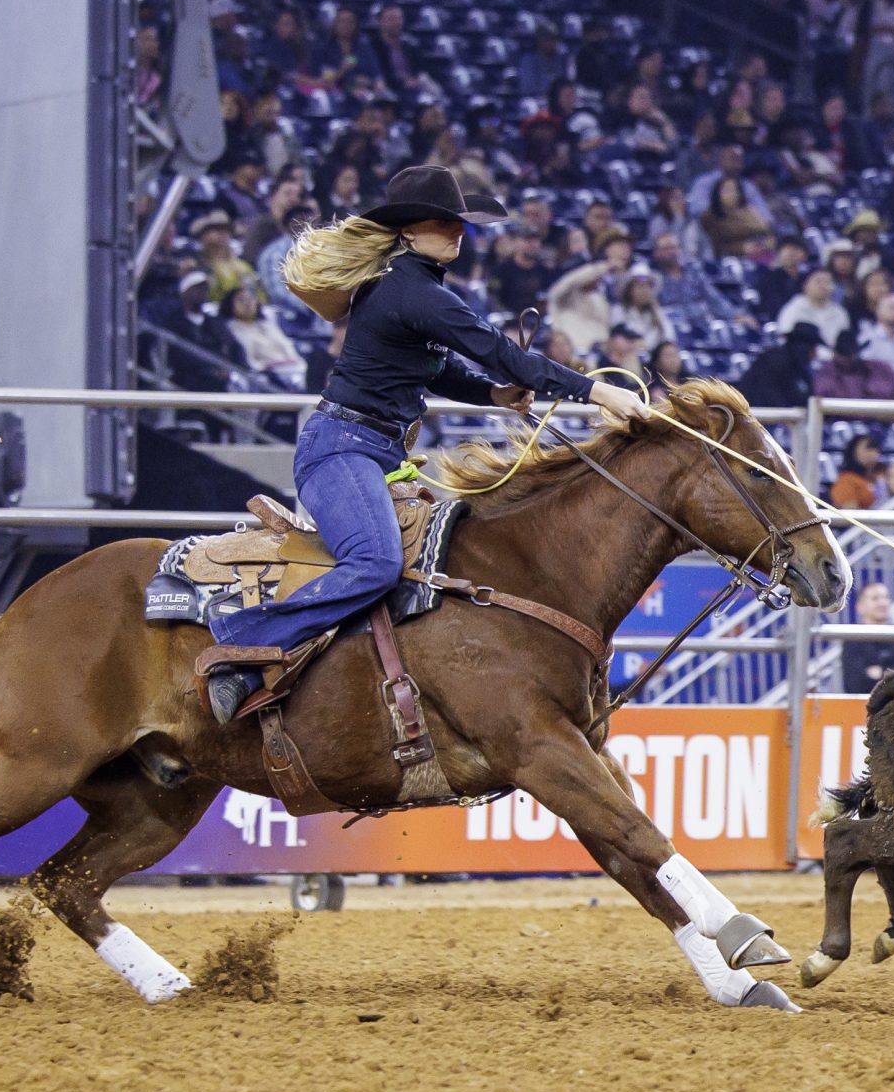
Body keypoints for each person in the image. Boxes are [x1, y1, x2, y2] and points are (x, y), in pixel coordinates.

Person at [203, 166, 652, 722]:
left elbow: (431, 371)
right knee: (376, 563)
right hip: (343, 449)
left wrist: (492, 394)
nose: (458, 231)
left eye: (460, 222)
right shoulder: (416, 291)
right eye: (445, 222)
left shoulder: (407, 286)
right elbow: (501, 350)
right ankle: (240, 650)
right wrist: (596, 391)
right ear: (409, 231)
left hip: (370, 449)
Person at [841, 580, 894, 695]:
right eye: (875, 598)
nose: (882, 603)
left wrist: (880, 673)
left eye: (885, 597)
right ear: (860, 607)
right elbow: (855, 685)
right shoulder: (853, 640)